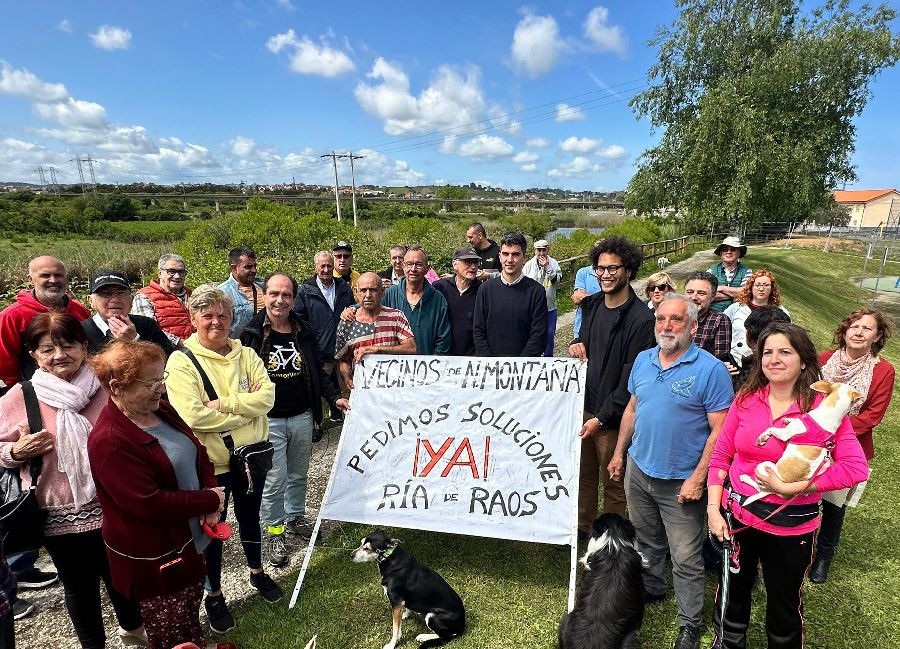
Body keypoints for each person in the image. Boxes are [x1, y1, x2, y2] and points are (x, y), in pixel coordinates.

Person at [707, 323, 869, 649]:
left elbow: (855, 467)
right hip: (737, 517)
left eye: (785, 352)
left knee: (784, 606)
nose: (774, 359)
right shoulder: (747, 399)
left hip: (791, 527)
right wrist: (713, 508)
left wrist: (797, 488)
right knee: (732, 596)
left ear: (804, 361)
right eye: (767, 352)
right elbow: (722, 456)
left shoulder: (824, 412)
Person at [0, 313, 146, 649]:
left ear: (84, 345)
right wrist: (16, 451)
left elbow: (145, 420)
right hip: (58, 515)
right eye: (47, 349)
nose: (59, 355)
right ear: (33, 354)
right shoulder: (20, 397)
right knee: (78, 587)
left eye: (68, 345)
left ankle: (135, 635)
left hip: (116, 506)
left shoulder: (109, 385)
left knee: (122, 578)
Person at [608, 295, 733, 649]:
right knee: (646, 539)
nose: (666, 326)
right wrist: (619, 453)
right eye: (661, 319)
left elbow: (720, 432)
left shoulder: (711, 370)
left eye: (675, 320)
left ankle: (689, 623)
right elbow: (632, 409)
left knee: (686, 556)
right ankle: (652, 586)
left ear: (693, 326)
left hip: (681, 480)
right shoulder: (644, 360)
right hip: (639, 468)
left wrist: (698, 478)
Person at [87, 340, 229, 649]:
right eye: (151, 383)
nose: (160, 389)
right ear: (117, 386)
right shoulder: (110, 440)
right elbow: (148, 503)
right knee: (173, 632)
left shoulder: (159, 409)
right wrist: (210, 500)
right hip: (159, 558)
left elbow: (197, 448)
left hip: (189, 538)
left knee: (188, 612)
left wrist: (209, 490)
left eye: (161, 379)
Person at [164, 286, 279, 634]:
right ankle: (213, 593)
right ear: (194, 318)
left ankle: (257, 572)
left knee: (250, 517)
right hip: (213, 465)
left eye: (222, 315)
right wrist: (247, 408)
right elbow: (194, 416)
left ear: (231, 318)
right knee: (212, 531)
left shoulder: (246, 354)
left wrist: (227, 405)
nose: (216, 322)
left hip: (252, 458)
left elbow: (269, 396)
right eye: (207, 315)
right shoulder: (182, 361)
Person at [240, 274, 349, 568]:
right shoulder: (249, 332)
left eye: (286, 295)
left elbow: (316, 370)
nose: (280, 300)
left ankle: (296, 517)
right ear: (264, 295)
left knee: (299, 474)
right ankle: (275, 531)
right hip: (268, 420)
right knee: (274, 480)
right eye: (274, 293)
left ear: (293, 298)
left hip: (301, 415)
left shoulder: (303, 329)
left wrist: (333, 398)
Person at [568, 236, 655, 532]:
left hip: (614, 417)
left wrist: (602, 417)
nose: (605, 274)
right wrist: (576, 342)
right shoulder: (591, 305)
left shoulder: (641, 319)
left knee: (614, 481)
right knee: (584, 475)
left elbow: (633, 379)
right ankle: (583, 528)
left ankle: (613, 534)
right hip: (585, 406)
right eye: (600, 268)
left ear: (628, 270)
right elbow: (581, 339)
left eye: (612, 268)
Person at [811, 309, 895, 584]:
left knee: (834, 507)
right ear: (845, 331)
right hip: (812, 440)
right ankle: (800, 547)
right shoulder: (823, 360)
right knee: (804, 496)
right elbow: (808, 399)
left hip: (847, 447)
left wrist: (833, 431)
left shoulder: (883, 371)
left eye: (867, 328)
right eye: (854, 326)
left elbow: (872, 415)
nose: (859, 332)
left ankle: (823, 555)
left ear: (877, 336)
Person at [0, 256, 90, 393]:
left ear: (66, 278)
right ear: (30, 279)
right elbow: (5, 363)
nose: (53, 280)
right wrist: (22, 392)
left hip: (83, 389)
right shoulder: (11, 316)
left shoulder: (79, 310)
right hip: (37, 394)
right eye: (45, 275)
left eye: (58, 275)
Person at [292, 251, 354, 419]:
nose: (326, 269)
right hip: (320, 350)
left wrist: (351, 310)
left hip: (343, 349)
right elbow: (299, 318)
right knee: (318, 388)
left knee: (348, 387)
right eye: (322, 266)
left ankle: (349, 422)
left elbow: (353, 308)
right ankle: (318, 422)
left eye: (329, 265)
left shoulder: (343, 287)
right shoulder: (306, 290)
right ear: (316, 267)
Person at [334, 273, 416, 392]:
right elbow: (344, 360)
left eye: (373, 290)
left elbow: (412, 348)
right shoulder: (347, 323)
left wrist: (377, 349)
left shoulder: (396, 316)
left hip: (394, 390)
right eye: (363, 290)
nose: (368, 295)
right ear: (356, 293)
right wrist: (347, 378)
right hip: (363, 391)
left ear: (382, 291)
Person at [473, 232, 548, 357]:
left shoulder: (537, 292)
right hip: (491, 367)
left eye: (515, 254)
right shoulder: (485, 290)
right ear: (500, 256)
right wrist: (490, 362)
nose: (510, 259)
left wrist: (519, 366)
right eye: (505, 254)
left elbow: (539, 335)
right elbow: (478, 330)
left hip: (522, 370)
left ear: (524, 257)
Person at [81, 270, 175, 356]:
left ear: (132, 298)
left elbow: (169, 361)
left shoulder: (147, 325)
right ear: (91, 301)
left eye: (121, 293)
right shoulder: (79, 331)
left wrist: (135, 341)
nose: (115, 300)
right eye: (106, 294)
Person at [381, 246, 450, 355]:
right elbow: (372, 312)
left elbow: (443, 341)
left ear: (427, 269)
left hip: (426, 367)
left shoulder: (438, 299)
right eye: (409, 264)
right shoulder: (390, 295)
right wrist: (352, 309)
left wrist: (431, 365)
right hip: (394, 367)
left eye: (418, 264)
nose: (413, 269)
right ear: (403, 266)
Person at [724, 269, 789, 365]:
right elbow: (722, 329)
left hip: (765, 361)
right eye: (757, 285)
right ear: (751, 287)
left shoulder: (780, 312)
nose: (761, 289)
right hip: (735, 359)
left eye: (766, 285)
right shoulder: (736, 308)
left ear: (772, 288)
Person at [131, 254, 194, 347]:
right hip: (165, 353)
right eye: (171, 271)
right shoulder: (144, 297)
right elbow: (147, 331)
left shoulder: (192, 294)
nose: (177, 276)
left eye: (181, 272)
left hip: (199, 351)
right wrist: (180, 343)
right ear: (159, 273)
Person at [433, 247, 483, 355]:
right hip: (442, 356)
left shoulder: (483, 290)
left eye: (476, 262)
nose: (473, 267)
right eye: (468, 262)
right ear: (455, 265)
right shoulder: (439, 288)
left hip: (471, 358)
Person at [523, 239, 563, 357]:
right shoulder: (528, 265)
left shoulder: (554, 263)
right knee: (532, 335)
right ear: (534, 251)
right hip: (532, 309)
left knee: (549, 335)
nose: (541, 253)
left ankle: (548, 359)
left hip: (550, 308)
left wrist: (547, 267)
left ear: (547, 249)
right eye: (538, 250)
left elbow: (557, 280)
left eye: (543, 250)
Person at [684, 271, 733, 362]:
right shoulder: (673, 316)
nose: (694, 297)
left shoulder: (719, 320)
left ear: (712, 297)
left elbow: (719, 361)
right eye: (690, 292)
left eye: (701, 293)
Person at [218, 247, 263, 338]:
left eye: (255, 266)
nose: (254, 270)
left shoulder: (264, 286)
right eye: (248, 267)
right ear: (234, 268)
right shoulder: (222, 293)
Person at [708, 236, 752, 313]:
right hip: (713, 311)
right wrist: (735, 294)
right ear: (721, 253)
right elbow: (706, 294)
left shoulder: (747, 271)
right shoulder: (711, 271)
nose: (728, 252)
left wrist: (721, 288)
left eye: (733, 249)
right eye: (725, 249)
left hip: (738, 312)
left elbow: (746, 293)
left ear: (739, 253)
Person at [571, 245, 601, 338]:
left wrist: (587, 298)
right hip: (582, 326)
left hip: (603, 327)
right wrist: (604, 300)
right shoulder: (583, 272)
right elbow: (577, 298)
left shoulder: (610, 275)